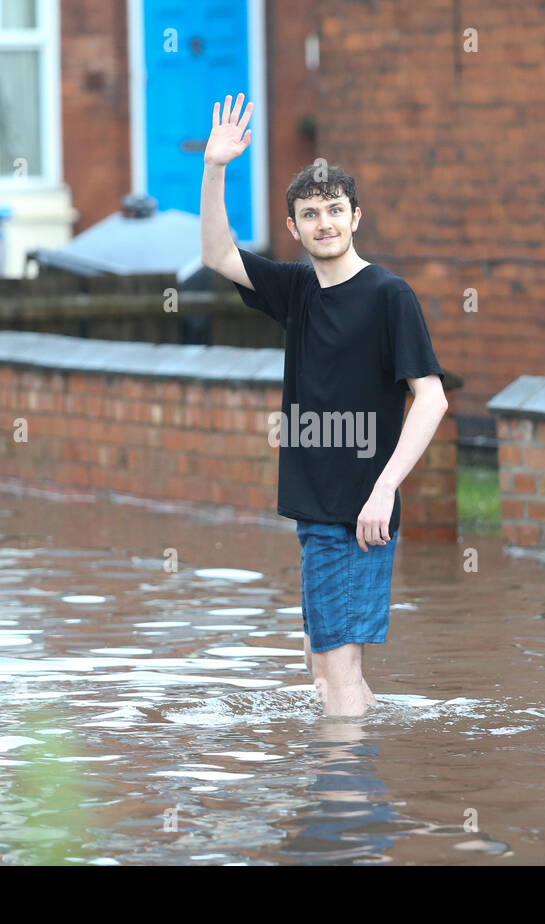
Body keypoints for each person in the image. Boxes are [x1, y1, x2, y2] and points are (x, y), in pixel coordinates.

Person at [199, 93, 448, 718]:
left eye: (335, 210)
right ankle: (350, 803)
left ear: (356, 216)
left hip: (359, 514)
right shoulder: (296, 290)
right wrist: (215, 168)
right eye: (310, 214)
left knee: (335, 681)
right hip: (316, 512)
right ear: (294, 228)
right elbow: (217, 255)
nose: (324, 223)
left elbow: (432, 398)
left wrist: (384, 489)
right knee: (327, 676)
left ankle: (341, 806)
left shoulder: (391, 296)